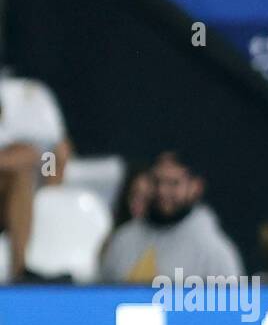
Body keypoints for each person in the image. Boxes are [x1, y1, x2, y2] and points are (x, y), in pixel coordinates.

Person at [99, 150, 243, 282]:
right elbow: (101, 296)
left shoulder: (213, 251)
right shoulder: (123, 240)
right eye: (156, 181)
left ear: (196, 187)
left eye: (173, 183)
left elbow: (232, 300)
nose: (162, 191)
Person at [0, 74, 72, 280]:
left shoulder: (43, 143)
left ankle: (19, 271)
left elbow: (50, 157)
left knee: (23, 175)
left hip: (20, 189)